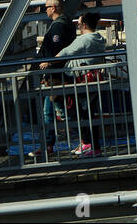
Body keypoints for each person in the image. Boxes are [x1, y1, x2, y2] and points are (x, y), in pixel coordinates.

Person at [46, 13, 108, 156]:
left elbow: (67, 52)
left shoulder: (85, 39)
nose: (78, 26)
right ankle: (93, 146)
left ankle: (87, 143)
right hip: (93, 78)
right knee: (89, 114)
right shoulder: (99, 38)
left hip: (81, 80)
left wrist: (49, 62)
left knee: (79, 113)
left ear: (84, 25)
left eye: (79, 24)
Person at [32, 0, 76, 158]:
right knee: (57, 111)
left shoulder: (58, 27)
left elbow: (57, 49)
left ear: (55, 8)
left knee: (56, 112)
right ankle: (48, 145)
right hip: (57, 75)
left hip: (56, 76)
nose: (45, 9)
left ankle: (49, 145)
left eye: (47, 6)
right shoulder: (64, 24)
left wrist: (48, 64)